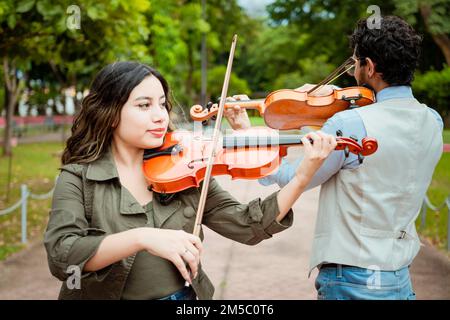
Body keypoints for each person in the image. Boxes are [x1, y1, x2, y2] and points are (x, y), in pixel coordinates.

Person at [44, 61, 337, 300]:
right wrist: (142, 237)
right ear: (110, 114)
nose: (160, 116)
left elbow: (249, 225)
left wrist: (301, 176)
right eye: (144, 105)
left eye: (162, 104)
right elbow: (63, 255)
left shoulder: (187, 167)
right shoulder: (78, 178)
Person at [227, 16, 443, 300]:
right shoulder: (433, 121)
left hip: (353, 275)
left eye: (356, 63)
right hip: (400, 274)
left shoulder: (351, 124)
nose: (353, 72)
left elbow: (294, 178)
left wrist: (246, 134)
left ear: (371, 67)